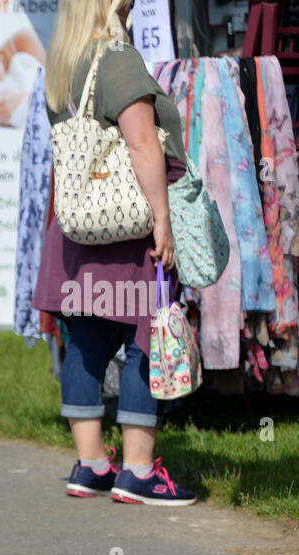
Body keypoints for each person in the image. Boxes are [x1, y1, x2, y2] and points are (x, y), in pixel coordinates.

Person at [31, 0, 196, 505]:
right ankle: (139, 471)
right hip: (127, 228)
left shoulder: (63, 62)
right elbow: (143, 143)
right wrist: (163, 219)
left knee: (89, 336)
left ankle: (91, 464)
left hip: (80, 227)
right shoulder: (118, 59)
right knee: (147, 334)